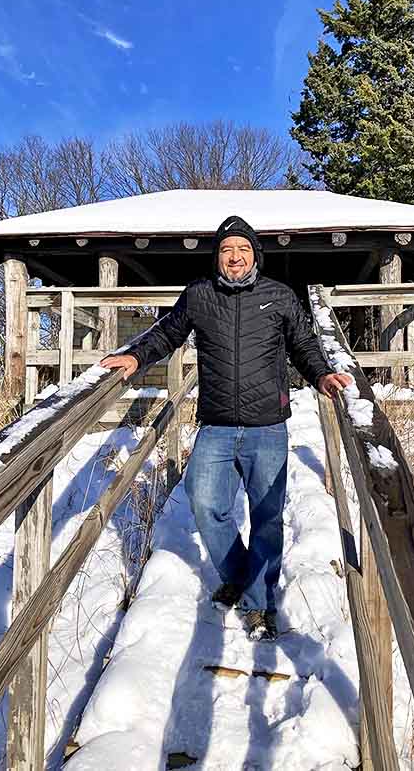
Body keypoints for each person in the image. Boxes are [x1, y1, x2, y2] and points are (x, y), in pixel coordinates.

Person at [101, 215, 351, 640]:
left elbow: (305, 345)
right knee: (204, 504)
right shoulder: (199, 295)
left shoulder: (280, 296)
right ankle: (243, 577)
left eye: (243, 250)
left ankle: (259, 604)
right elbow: (167, 334)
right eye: (226, 250)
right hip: (215, 426)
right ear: (218, 257)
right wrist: (137, 356)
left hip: (267, 426)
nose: (234, 258)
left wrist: (323, 375)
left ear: (255, 255)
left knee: (267, 517)